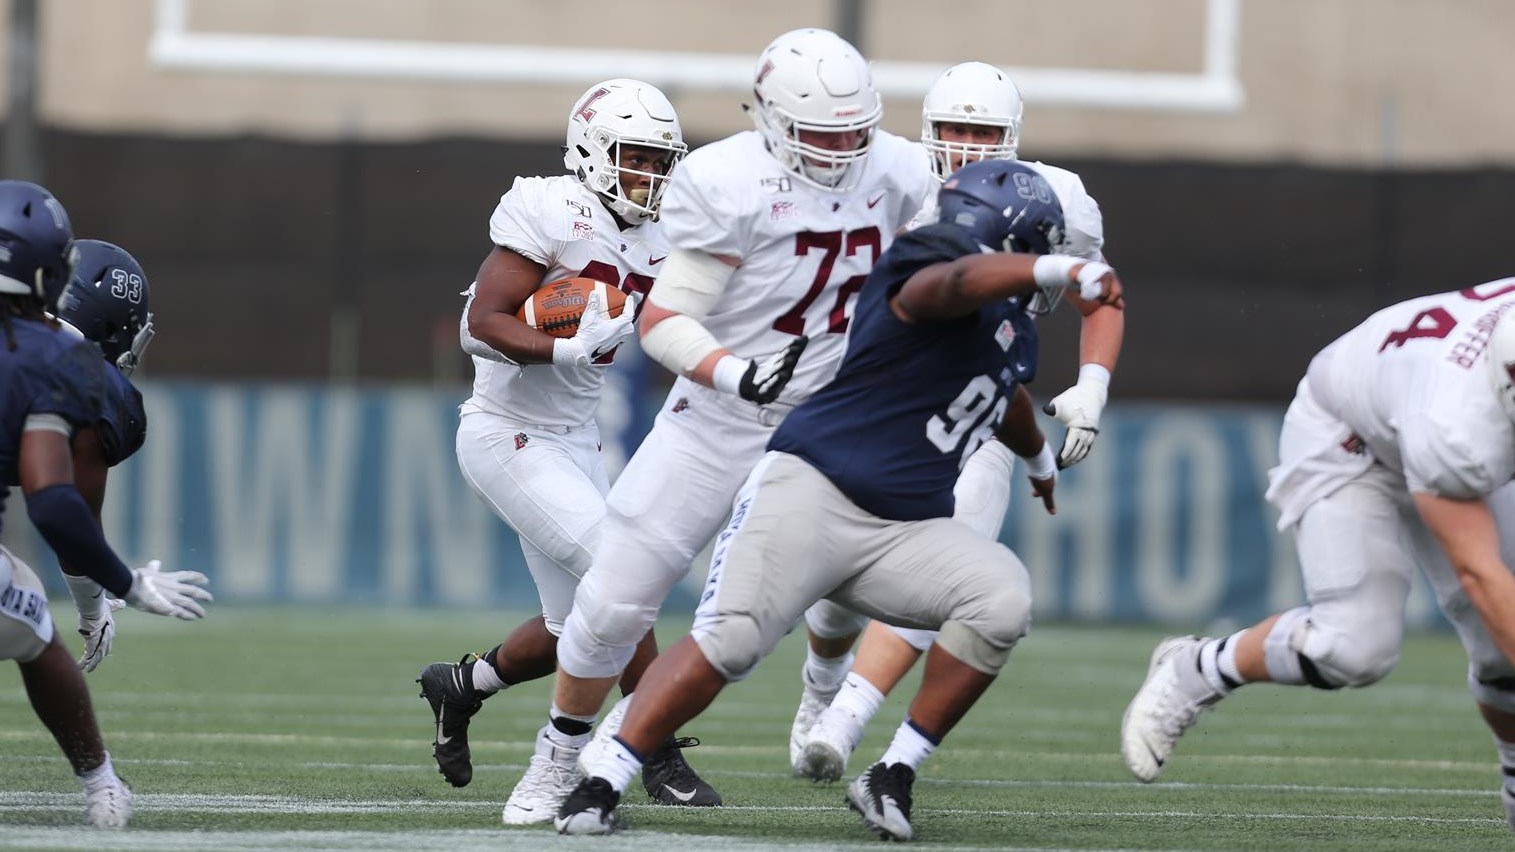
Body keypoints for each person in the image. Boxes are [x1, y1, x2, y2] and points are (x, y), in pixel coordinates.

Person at [554, 158, 1124, 839]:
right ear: (1018, 239)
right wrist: (1051, 271)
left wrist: (1036, 460)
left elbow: (1001, 395)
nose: (1056, 269)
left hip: (903, 530)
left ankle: (894, 772)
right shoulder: (923, 260)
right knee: (729, 644)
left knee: (1002, 598)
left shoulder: (1010, 324)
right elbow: (956, 283)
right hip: (812, 496)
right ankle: (601, 781)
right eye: (1049, 251)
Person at [534, 26, 936, 817]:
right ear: (772, 120)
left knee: (749, 622)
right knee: (614, 597)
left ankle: (808, 697)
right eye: (820, 135)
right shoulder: (724, 178)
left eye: (853, 131)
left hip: (829, 421)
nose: (840, 151)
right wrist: (737, 372)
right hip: (718, 412)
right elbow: (663, 319)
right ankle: (557, 756)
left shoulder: (900, 167)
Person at [790, 59, 1127, 780]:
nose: (969, 147)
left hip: (978, 410)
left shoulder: (1051, 198)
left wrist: (1092, 383)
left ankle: (847, 724)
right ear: (927, 133)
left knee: (954, 560)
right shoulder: (887, 183)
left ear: (1011, 138)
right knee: (834, 586)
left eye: (983, 131)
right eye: (954, 129)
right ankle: (820, 686)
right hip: (878, 403)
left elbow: (1100, 292)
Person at [412, 79, 712, 823]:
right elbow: (480, 323)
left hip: (578, 438)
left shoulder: (666, 228)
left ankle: (464, 685)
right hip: (505, 432)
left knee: (568, 625)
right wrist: (560, 349)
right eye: (636, 157)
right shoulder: (553, 207)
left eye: (659, 159)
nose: (650, 175)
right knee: (621, 572)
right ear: (592, 152)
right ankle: (654, 750)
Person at [1119, 279, 1515, 832]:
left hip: (1428, 395)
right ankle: (1200, 668)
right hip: (1350, 433)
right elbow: (1480, 574)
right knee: (1354, 648)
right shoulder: (1457, 426)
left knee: (1500, 654)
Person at [0, 180, 211, 829]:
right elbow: (59, 506)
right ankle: (101, 784)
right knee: (34, 629)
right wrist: (123, 585)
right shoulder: (59, 363)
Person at [45, 239, 156, 674]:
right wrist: (97, 603)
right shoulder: (93, 381)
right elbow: (70, 513)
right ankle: (90, 749)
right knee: (26, 621)